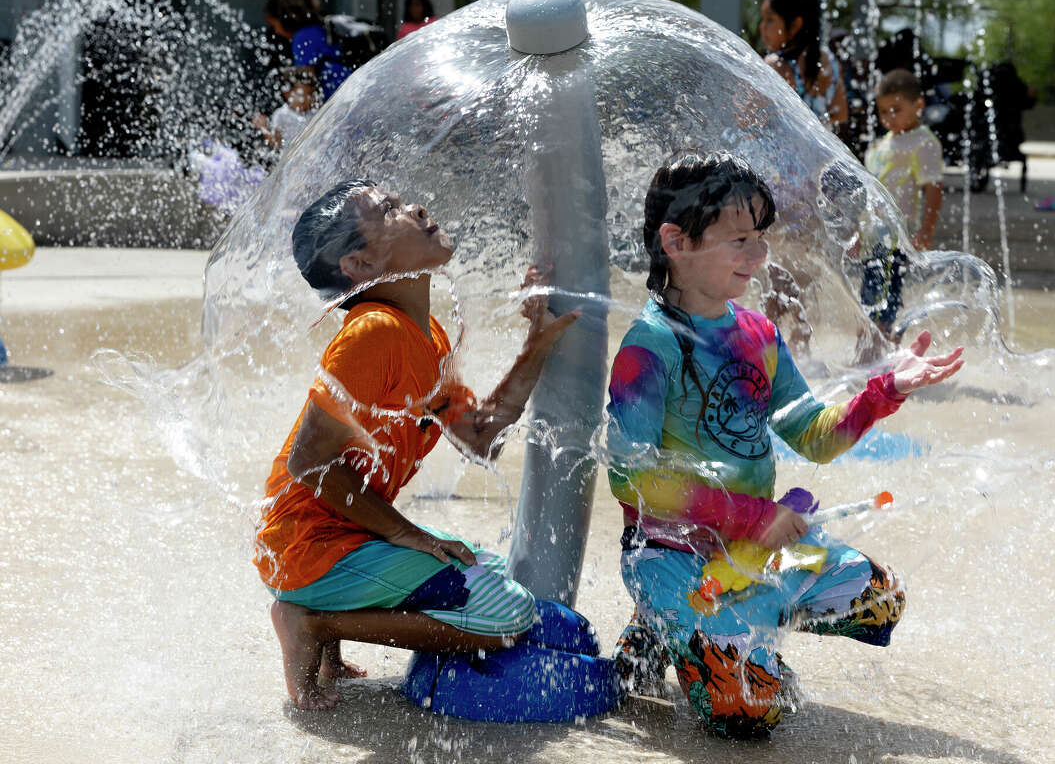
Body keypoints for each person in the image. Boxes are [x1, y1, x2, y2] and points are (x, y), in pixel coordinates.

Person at [605, 153, 963, 738]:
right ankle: (676, 628)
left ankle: (724, 633)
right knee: (748, 711)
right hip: (671, 552)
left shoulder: (758, 335)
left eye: (761, 237)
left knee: (878, 598)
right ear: (676, 240)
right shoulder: (649, 348)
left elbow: (815, 437)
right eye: (740, 239)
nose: (759, 254)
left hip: (753, 551)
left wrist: (886, 389)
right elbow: (632, 477)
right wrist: (752, 514)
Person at [255, 180, 579, 710]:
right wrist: (409, 535)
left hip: (339, 533)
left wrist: (536, 344)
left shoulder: (423, 332)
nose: (417, 208)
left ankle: (326, 630)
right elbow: (308, 462)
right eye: (390, 210)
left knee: (493, 572)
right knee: (505, 616)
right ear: (358, 265)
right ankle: (310, 621)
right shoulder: (374, 334)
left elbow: (480, 436)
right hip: (305, 545)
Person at [864, 68, 944, 252]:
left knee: (882, 280)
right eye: (883, 111)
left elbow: (934, 189)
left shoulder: (923, 142)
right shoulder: (881, 144)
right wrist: (859, 231)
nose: (888, 117)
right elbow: (870, 192)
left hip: (899, 231)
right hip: (873, 230)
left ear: (919, 105)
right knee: (874, 280)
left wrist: (926, 231)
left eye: (896, 110)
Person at [759, 0, 849, 128]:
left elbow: (748, 121)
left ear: (795, 25)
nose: (762, 26)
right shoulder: (829, 61)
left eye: (770, 20)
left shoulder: (775, 65)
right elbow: (841, 114)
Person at [264, 0, 352, 103]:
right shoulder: (320, 30)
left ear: (285, 18)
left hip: (342, 105)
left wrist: (274, 117)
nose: (276, 31)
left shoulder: (302, 39)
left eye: (275, 25)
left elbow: (304, 97)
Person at [251, 67, 318, 150]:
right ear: (287, 94)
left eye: (310, 94)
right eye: (303, 95)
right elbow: (276, 142)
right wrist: (264, 128)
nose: (309, 99)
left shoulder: (313, 112)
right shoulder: (282, 114)